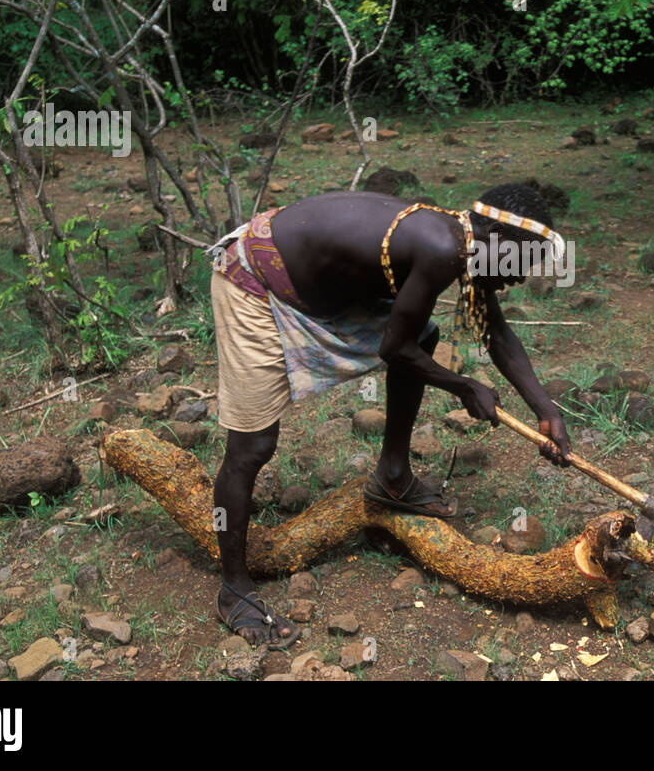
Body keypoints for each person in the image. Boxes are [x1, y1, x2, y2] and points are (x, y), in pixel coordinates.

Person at [207, 182, 573, 646]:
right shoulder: (440, 247)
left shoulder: (462, 239)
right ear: (498, 243)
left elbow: (496, 332)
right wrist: (463, 386)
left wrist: (546, 410)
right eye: (521, 264)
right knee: (252, 445)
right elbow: (394, 350)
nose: (520, 279)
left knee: (423, 338)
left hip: (321, 290)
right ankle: (234, 588)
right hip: (256, 280)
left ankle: (393, 477)